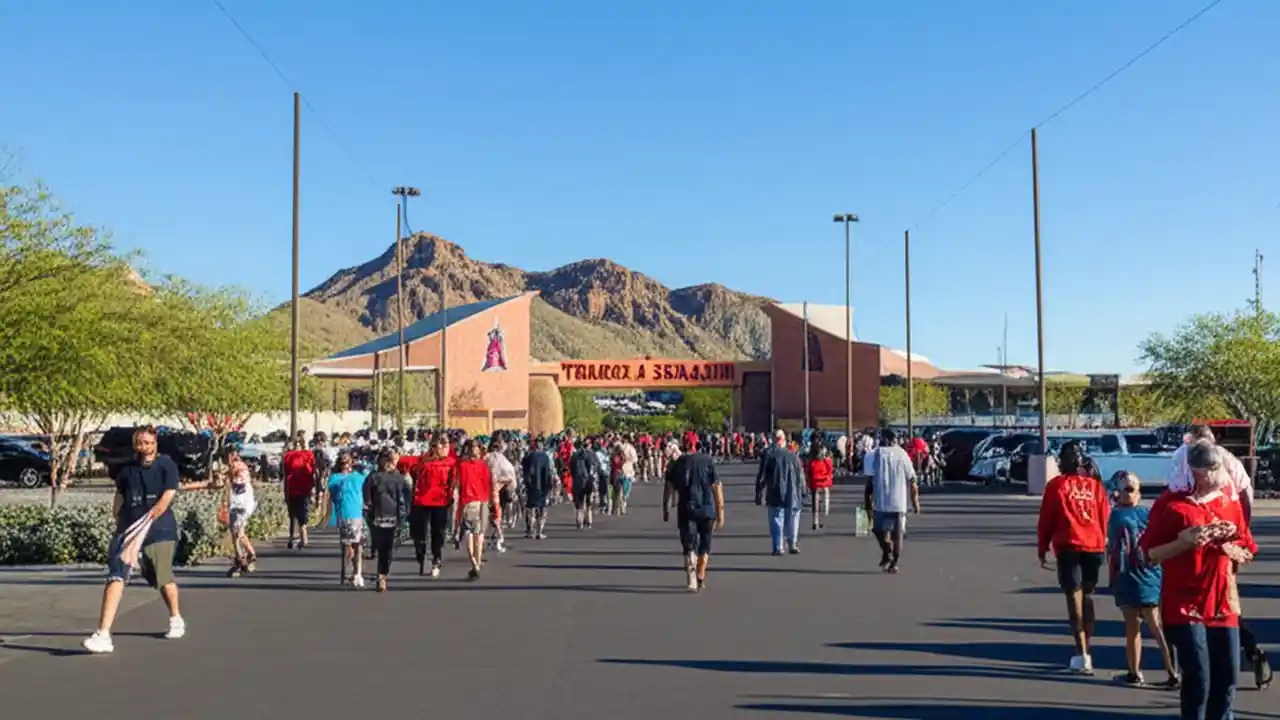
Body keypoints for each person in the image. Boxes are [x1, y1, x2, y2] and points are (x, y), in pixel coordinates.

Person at [1143, 440, 1257, 719]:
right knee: (1199, 679)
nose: (1209, 477)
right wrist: (1183, 542)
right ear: (1187, 470)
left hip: (1222, 601)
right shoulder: (1171, 504)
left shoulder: (1227, 500)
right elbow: (1149, 555)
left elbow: (1247, 545)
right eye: (1201, 471)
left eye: (1213, 469)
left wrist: (1234, 549)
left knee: (1228, 675)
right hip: (1185, 601)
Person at [83, 427, 185, 654]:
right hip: (129, 528)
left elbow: (168, 495)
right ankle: (103, 634)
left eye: (149, 443)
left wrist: (151, 517)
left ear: (155, 444)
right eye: (141, 443)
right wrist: (119, 522)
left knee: (160, 575)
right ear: (135, 444)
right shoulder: (126, 470)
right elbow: (119, 495)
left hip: (159, 528)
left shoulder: (166, 465)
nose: (145, 447)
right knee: (116, 574)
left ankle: (175, 617)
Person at [1037, 441, 1110, 675]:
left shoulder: (1057, 485)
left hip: (1070, 545)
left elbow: (1046, 518)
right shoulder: (1095, 487)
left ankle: (1081, 654)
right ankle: (1087, 646)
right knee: (1088, 596)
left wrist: (1042, 547)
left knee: (1073, 599)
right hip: (1094, 545)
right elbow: (1104, 516)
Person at [1107, 471, 1178, 688]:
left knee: (1135, 626)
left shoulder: (1117, 516)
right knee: (1155, 626)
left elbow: (1114, 550)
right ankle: (1171, 671)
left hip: (1130, 575)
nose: (1123, 494)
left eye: (1128, 490)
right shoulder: (1150, 514)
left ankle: (1137, 672)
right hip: (1150, 575)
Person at [663, 435, 725, 592]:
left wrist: (666, 508)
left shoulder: (676, 464)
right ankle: (700, 575)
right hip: (706, 508)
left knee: (689, 546)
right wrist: (720, 512)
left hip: (686, 508)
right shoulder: (708, 461)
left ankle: (691, 577)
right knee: (705, 545)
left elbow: (668, 488)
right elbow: (717, 487)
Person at [864, 429, 919, 573]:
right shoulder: (903, 454)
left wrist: (867, 506)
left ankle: (887, 550)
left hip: (881, 500)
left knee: (876, 528)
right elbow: (912, 479)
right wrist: (915, 501)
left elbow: (869, 484)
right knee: (897, 532)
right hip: (899, 500)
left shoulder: (873, 455)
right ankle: (893, 560)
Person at [410, 432, 456, 578]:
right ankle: (421, 554)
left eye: (446, 444)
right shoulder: (423, 461)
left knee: (439, 532)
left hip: (441, 501)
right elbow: (413, 472)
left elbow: (454, 481)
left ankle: (437, 558)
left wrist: (452, 496)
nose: (444, 447)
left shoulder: (451, 463)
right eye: (441, 444)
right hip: (422, 500)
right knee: (420, 532)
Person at [364, 449, 407, 592]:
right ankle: (381, 574)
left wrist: (405, 514)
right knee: (379, 545)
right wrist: (368, 505)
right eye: (385, 459)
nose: (387, 463)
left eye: (390, 460)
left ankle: (382, 575)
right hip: (376, 516)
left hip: (393, 516)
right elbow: (367, 494)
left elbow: (406, 496)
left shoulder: (398, 478)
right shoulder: (373, 476)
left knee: (387, 549)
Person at [755, 429, 803, 556]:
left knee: (776, 518)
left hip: (775, 491)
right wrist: (803, 491)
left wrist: (759, 492)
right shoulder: (793, 456)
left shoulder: (769, 456)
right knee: (793, 517)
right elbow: (800, 475)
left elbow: (762, 476)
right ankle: (792, 543)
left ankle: (778, 546)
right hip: (792, 491)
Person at [455, 439, 495, 580]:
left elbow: (458, 486)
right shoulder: (484, 466)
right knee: (480, 534)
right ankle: (477, 562)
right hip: (481, 501)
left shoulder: (462, 466)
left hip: (467, 502)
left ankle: (473, 563)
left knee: (468, 535)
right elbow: (488, 485)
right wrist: (491, 503)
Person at [328, 452, 368, 587]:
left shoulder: (358, 477)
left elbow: (366, 491)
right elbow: (333, 494)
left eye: (348, 462)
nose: (346, 465)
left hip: (357, 513)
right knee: (348, 545)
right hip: (345, 513)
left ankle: (358, 573)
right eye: (343, 462)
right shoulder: (335, 478)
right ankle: (348, 573)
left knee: (358, 545)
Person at [223, 447, 258, 578]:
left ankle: (240, 559)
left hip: (243, 503)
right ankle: (249, 555)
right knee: (236, 532)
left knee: (237, 532)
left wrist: (227, 475)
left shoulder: (238, 467)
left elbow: (235, 478)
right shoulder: (232, 468)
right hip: (236, 503)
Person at [281, 438, 317, 549]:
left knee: (293, 513)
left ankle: (295, 536)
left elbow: (285, 472)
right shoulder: (307, 455)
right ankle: (301, 536)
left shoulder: (289, 456)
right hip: (302, 488)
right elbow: (313, 472)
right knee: (301, 511)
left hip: (295, 488)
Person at [486, 437, 517, 554]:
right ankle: (499, 538)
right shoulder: (495, 458)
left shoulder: (489, 457)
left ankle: (495, 537)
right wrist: (504, 481)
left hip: (494, 489)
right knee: (497, 514)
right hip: (496, 490)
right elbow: (509, 474)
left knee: (495, 514)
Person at [522, 436, 554, 539]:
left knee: (530, 507)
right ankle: (539, 531)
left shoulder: (529, 455)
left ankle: (529, 530)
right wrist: (549, 485)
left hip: (531, 485)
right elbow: (549, 471)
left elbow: (524, 469)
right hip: (542, 485)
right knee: (542, 509)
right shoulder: (545, 456)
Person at [570, 438, 603, 530]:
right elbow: (596, 468)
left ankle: (579, 521)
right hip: (589, 481)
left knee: (579, 503)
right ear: (589, 445)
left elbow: (571, 468)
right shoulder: (592, 455)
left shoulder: (575, 456)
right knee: (589, 503)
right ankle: (589, 521)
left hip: (577, 480)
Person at [805, 436, 834, 531]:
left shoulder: (811, 459)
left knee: (815, 503)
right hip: (824, 483)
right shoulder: (825, 459)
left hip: (815, 483)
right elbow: (830, 469)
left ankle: (815, 521)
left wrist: (808, 482)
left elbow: (808, 472)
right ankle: (821, 520)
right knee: (824, 502)